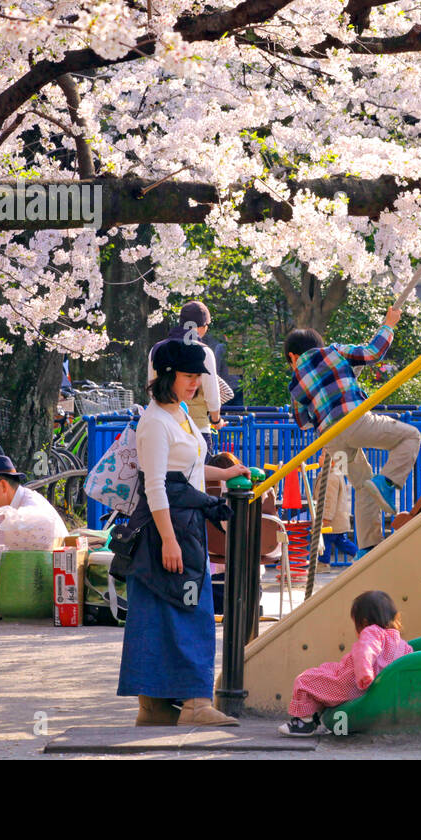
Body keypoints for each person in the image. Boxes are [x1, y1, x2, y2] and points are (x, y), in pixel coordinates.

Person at [118, 340, 243, 727]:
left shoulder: (180, 413)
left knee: (162, 614)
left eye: (198, 377)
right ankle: (194, 703)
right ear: (168, 375)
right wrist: (169, 539)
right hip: (167, 531)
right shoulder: (154, 421)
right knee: (191, 612)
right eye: (190, 377)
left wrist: (222, 474)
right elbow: (155, 484)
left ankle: (153, 705)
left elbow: (187, 467)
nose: (196, 384)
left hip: (182, 527)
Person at [285, 308, 421, 551]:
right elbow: (373, 353)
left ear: (293, 356)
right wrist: (389, 323)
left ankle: (368, 548)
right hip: (354, 420)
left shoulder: (296, 383)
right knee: (411, 436)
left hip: (331, 439)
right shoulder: (334, 352)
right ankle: (388, 482)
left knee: (362, 484)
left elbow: (302, 422)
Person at [279, 590, 413, 736]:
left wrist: (365, 676)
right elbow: (407, 665)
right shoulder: (403, 645)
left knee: (305, 681)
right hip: (377, 688)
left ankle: (305, 723)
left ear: (364, 622)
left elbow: (366, 653)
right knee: (327, 669)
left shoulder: (372, 631)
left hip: (353, 683)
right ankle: (316, 712)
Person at [148, 301, 224, 450]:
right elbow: (212, 395)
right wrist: (216, 420)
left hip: (162, 427)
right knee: (198, 472)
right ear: (203, 327)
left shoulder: (157, 349)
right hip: (196, 428)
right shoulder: (204, 352)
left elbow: (152, 388)